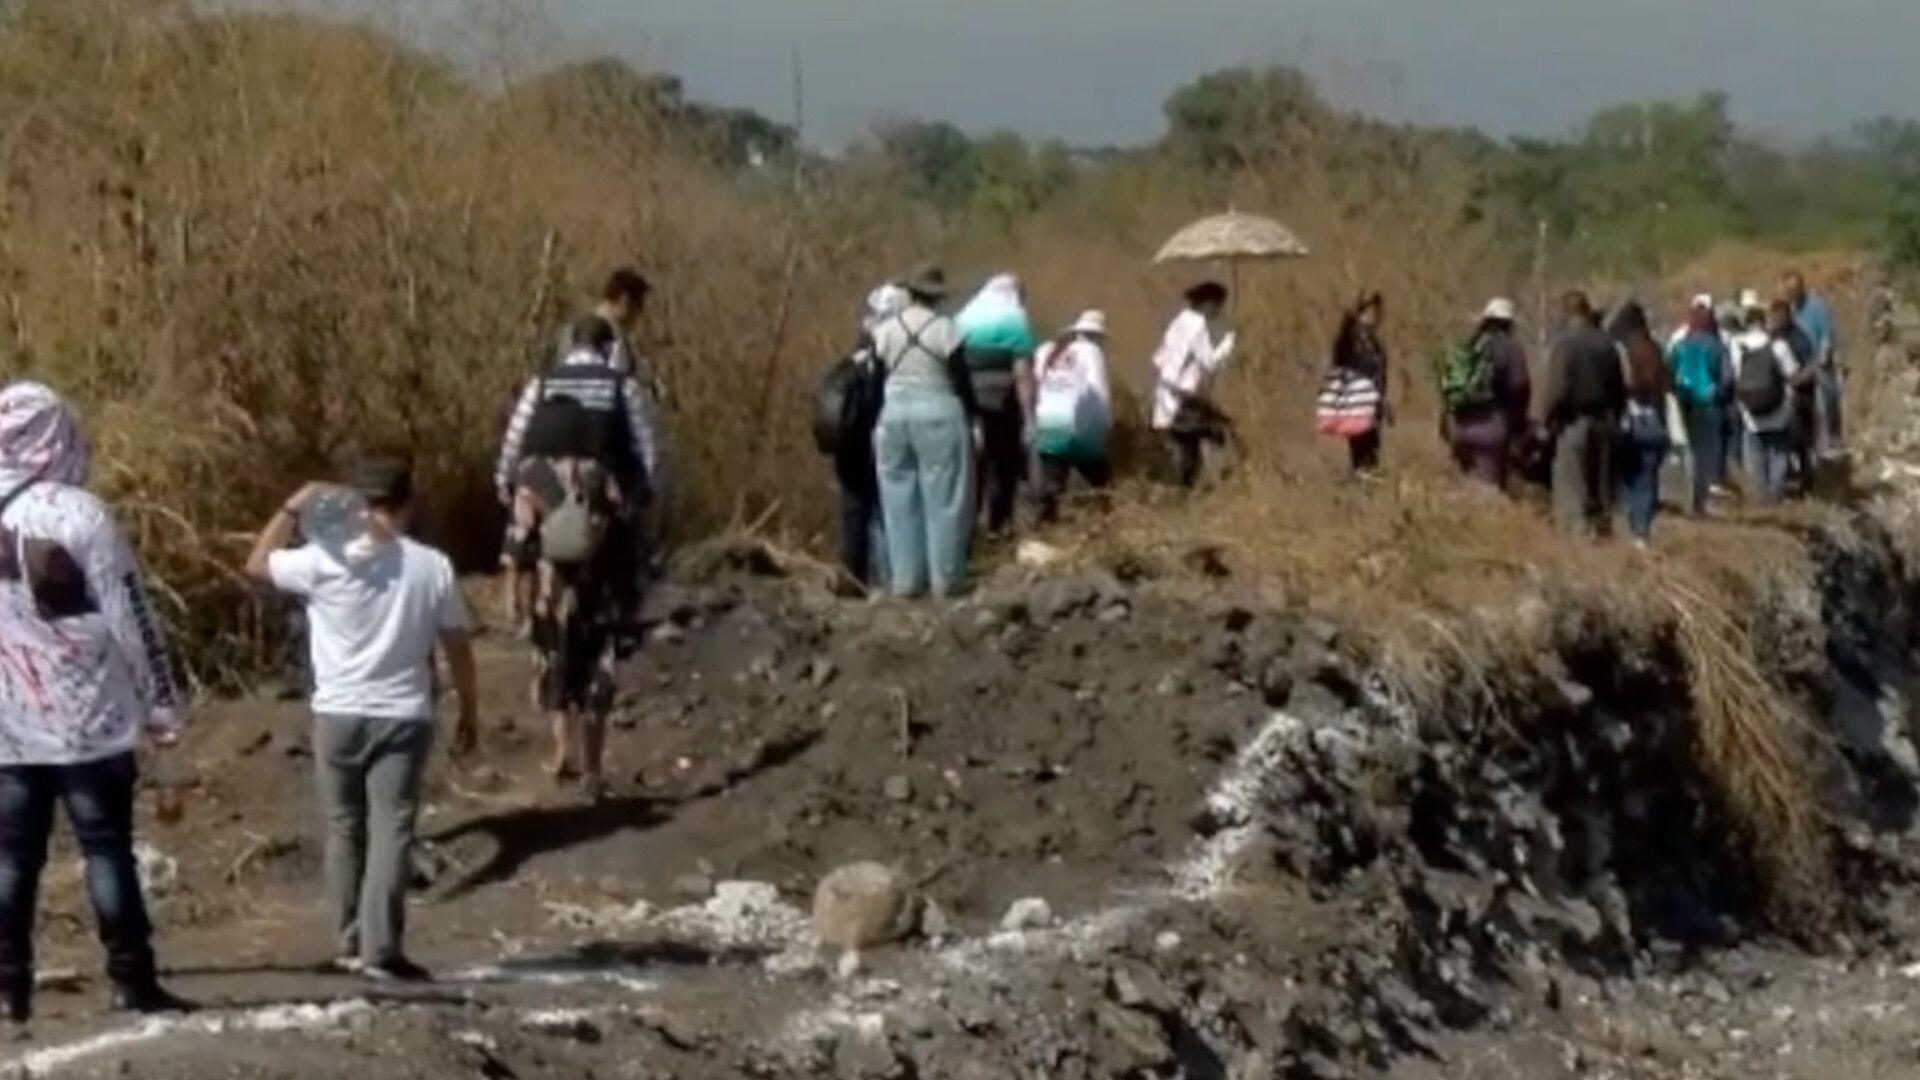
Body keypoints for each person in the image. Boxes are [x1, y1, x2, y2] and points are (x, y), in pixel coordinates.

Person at [0, 383, 192, 1021]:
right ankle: (132, 981)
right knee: (106, 848)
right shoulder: (80, 514)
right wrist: (161, 705)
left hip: (10, 722)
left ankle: (10, 988)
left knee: (13, 857)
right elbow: (130, 616)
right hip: (88, 719)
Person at [246, 459, 478, 983]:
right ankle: (382, 949)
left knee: (344, 829)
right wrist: (469, 710)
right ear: (407, 505)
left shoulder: (321, 560)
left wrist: (295, 503)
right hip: (403, 714)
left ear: (353, 502)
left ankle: (349, 942)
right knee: (392, 831)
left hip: (337, 714)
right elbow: (458, 648)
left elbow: (257, 564)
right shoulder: (430, 565)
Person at [497, 315, 655, 797]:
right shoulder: (620, 393)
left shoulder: (539, 390)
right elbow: (650, 459)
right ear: (608, 348)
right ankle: (593, 765)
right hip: (601, 565)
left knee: (552, 653)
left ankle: (560, 751)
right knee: (599, 658)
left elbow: (509, 463)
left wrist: (512, 499)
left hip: (550, 568)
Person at [872, 266, 978, 599]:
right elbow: (963, 382)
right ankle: (945, 579)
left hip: (893, 414)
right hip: (939, 411)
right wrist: (974, 420)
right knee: (945, 499)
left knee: (898, 499)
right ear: (937, 297)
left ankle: (905, 580)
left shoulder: (885, 331)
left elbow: (877, 379)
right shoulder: (947, 330)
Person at [832, 284, 907, 587]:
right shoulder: (895, 345)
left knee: (853, 512)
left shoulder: (858, 347)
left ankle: (852, 580)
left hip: (849, 441)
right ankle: (887, 581)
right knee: (887, 512)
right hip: (880, 437)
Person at [954, 274, 1038, 539]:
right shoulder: (1014, 320)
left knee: (972, 470)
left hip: (966, 404)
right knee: (1004, 466)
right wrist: (1029, 415)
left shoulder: (962, 318)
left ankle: (968, 531)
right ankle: (997, 526)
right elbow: (1022, 372)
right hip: (1002, 404)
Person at [1542, 291, 1627, 538]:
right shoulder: (1606, 344)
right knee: (1600, 488)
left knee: (1571, 487)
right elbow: (1620, 388)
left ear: (1568, 314)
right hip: (1605, 422)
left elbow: (1558, 389)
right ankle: (1603, 538)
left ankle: (1577, 544)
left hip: (1574, 421)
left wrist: (1548, 421)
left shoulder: (1566, 345)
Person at [1149, 281, 1236, 488]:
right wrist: (1230, 342)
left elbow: (1158, 359)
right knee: (1220, 435)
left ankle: (1184, 492)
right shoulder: (1197, 325)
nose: (1219, 311)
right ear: (1208, 304)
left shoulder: (1177, 322)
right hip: (1184, 400)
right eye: (1218, 305)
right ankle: (1195, 490)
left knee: (1187, 449)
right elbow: (1210, 362)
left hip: (1167, 395)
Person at [1031, 311, 1114, 522]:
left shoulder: (1049, 350)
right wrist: (1105, 424)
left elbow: (1037, 382)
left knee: (1054, 479)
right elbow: (1098, 391)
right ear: (1097, 336)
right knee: (1101, 479)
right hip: (1076, 424)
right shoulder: (1092, 352)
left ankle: (1045, 523)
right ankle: (1108, 520)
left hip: (1047, 422)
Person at [1443, 297, 1532, 490]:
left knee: (1466, 489)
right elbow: (1520, 386)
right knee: (1488, 493)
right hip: (1491, 429)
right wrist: (1519, 425)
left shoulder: (1472, 345)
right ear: (1509, 323)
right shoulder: (1511, 348)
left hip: (1460, 428)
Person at [1728, 292, 1800, 505]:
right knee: (1778, 454)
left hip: (1750, 412)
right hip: (1778, 411)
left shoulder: (1737, 345)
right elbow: (1792, 375)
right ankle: (1775, 495)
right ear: (1763, 320)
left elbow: (1733, 376)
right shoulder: (1778, 346)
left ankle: (1760, 499)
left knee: (1755, 454)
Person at [1611, 301, 1672, 545]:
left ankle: (1630, 530)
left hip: (1631, 421)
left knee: (1629, 477)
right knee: (1647, 478)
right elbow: (1668, 383)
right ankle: (1641, 533)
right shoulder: (1655, 350)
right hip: (1656, 420)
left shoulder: (1624, 353)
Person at [1666, 295, 1732, 515]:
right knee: (1705, 452)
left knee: (1688, 451)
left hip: (1684, 401)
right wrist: (1720, 394)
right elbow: (1728, 377)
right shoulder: (1716, 346)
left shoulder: (1680, 345)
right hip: (1708, 403)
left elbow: (1668, 370)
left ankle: (1689, 497)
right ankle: (1700, 501)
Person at [1780, 270, 1843, 458]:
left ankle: (1832, 437)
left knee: (1827, 396)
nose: (1790, 295)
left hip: (1817, 361)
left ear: (1801, 288)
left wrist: (1823, 357)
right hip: (1796, 363)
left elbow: (1826, 334)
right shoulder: (1788, 309)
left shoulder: (1817, 307)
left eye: (1793, 290)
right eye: (1787, 291)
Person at [1330, 291, 1391, 475]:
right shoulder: (1353, 340)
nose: (1378, 316)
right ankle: (1361, 474)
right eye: (1373, 310)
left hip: (1370, 401)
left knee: (1370, 444)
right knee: (1362, 444)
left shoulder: (1370, 340)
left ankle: (1365, 473)